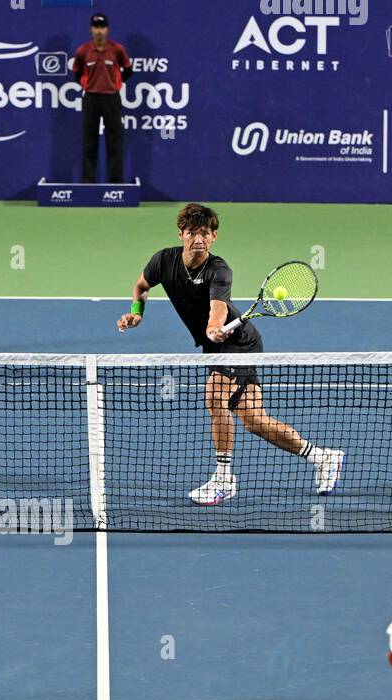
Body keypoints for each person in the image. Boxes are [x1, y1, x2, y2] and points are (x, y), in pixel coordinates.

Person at [117, 203, 343, 504]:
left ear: (214, 237)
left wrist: (213, 327)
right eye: (192, 233)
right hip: (216, 346)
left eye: (205, 234)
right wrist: (136, 313)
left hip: (238, 343)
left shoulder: (219, 270)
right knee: (254, 421)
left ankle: (223, 478)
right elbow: (141, 285)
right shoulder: (163, 261)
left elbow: (217, 309)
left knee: (214, 396)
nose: (198, 239)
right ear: (181, 234)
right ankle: (323, 457)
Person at [72, 13, 131, 184]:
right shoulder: (82, 51)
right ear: (91, 29)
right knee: (89, 142)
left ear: (108, 29)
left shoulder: (118, 50)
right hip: (91, 99)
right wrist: (88, 85)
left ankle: (115, 184)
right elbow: (76, 74)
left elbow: (128, 71)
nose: (99, 31)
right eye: (96, 27)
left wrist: (114, 83)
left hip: (111, 99)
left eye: (102, 27)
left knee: (114, 142)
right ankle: (88, 182)